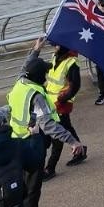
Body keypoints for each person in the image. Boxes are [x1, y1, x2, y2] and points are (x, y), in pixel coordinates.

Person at [6, 49, 84, 207]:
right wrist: (72, 141)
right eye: (45, 73)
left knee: (21, 186)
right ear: (40, 76)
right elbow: (48, 125)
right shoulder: (37, 95)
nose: (47, 75)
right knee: (32, 190)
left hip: (15, 139)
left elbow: (25, 66)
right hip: (31, 144)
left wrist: (35, 50)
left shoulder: (20, 83)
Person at [40, 41, 87, 179]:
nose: (54, 47)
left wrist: (61, 99)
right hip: (50, 101)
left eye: (57, 45)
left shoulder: (72, 63)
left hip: (61, 103)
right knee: (66, 127)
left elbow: (75, 86)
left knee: (57, 135)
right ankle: (80, 150)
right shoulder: (56, 57)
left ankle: (50, 168)